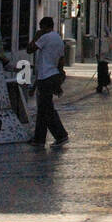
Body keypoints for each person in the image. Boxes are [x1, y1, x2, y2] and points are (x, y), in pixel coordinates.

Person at [29, 17, 69, 147]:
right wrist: (58, 81)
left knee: (46, 109)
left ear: (45, 27)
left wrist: (36, 36)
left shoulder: (45, 37)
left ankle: (61, 135)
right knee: (42, 109)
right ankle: (39, 139)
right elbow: (61, 61)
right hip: (51, 76)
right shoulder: (58, 38)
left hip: (46, 77)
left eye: (41, 28)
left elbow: (30, 49)